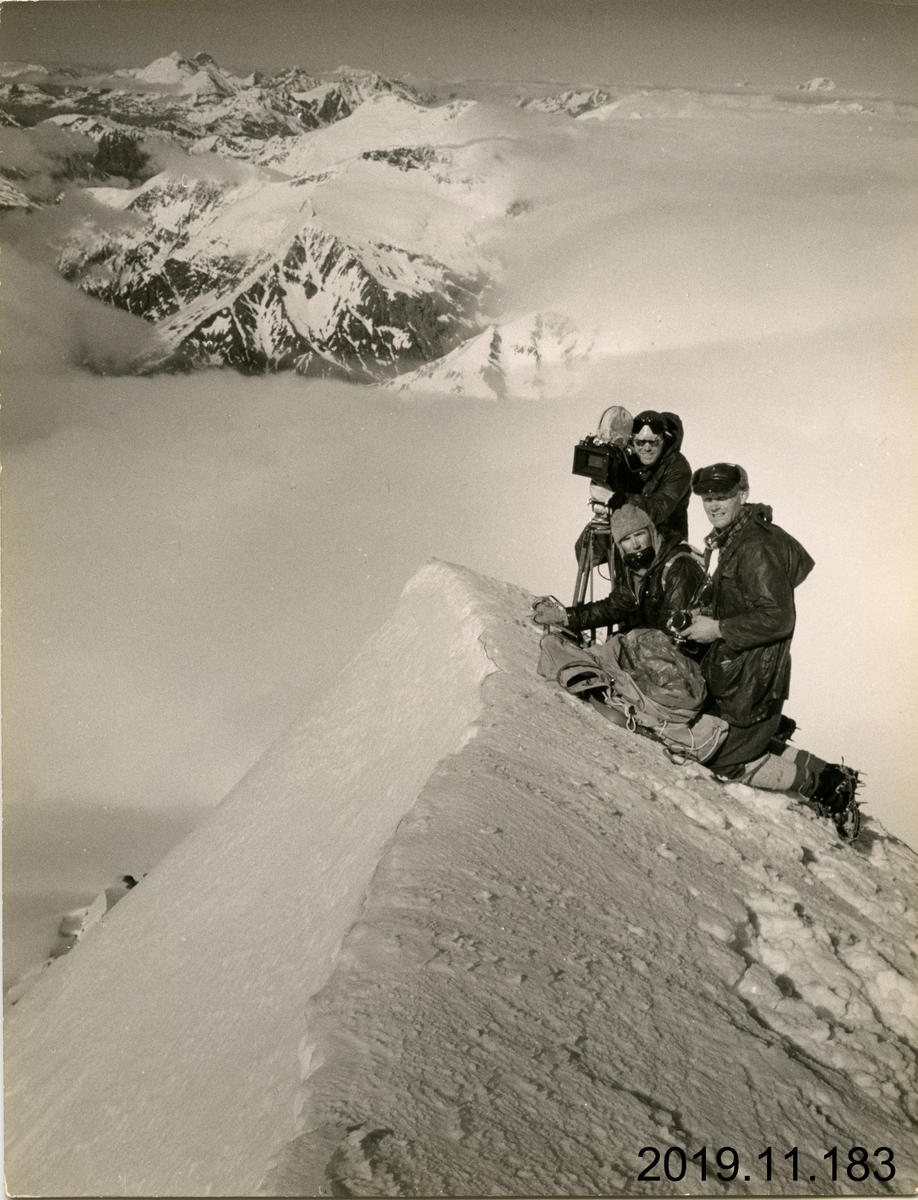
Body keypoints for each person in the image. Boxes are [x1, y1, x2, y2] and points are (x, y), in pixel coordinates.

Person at [682, 462, 860, 836]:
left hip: (754, 677)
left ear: (742, 495)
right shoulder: (735, 537)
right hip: (740, 668)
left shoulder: (755, 546)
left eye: (722, 497)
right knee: (738, 742)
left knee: (723, 759)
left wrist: (716, 628)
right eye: (707, 499)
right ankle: (831, 774)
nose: (713, 506)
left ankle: (827, 789)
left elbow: (779, 618)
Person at [535, 503, 704, 644]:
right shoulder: (637, 569)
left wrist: (629, 641)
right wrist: (566, 617)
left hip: (678, 660)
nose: (635, 544)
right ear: (620, 545)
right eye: (626, 539)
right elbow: (614, 607)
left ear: (651, 533)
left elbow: (674, 632)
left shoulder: (679, 567)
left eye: (639, 534)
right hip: (651, 650)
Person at [574, 409, 692, 573]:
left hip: (664, 556)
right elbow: (585, 558)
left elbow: (658, 510)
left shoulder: (678, 468)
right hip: (629, 553)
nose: (647, 448)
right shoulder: (628, 461)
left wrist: (614, 498)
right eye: (640, 442)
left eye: (654, 442)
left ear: (664, 440)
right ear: (632, 441)